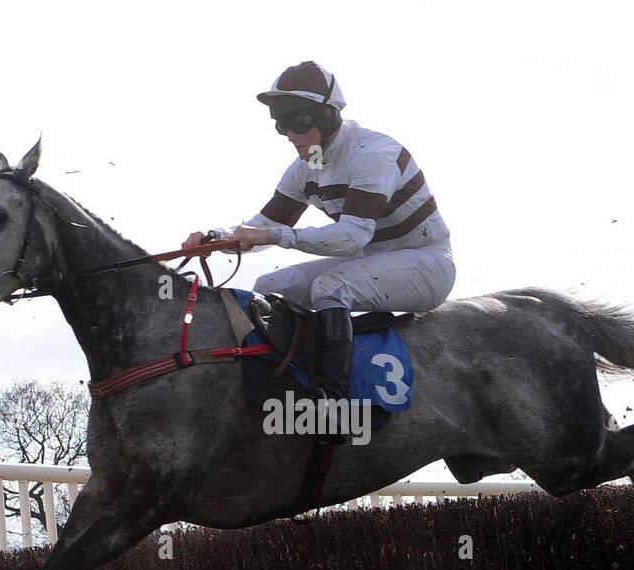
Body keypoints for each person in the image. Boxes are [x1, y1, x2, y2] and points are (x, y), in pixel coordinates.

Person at [184, 61, 456, 407]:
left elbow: (351, 237)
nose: (290, 135)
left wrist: (274, 236)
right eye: (282, 125)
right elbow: (263, 225)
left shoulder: (374, 154)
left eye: (299, 122)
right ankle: (287, 386)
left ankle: (333, 401)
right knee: (270, 287)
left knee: (331, 287)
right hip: (374, 260)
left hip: (427, 264)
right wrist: (214, 238)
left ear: (328, 116)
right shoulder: (306, 167)